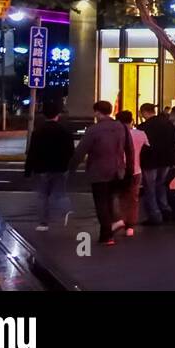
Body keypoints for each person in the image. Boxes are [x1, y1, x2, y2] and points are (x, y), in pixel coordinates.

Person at [67, 100, 132, 247]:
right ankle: (109, 230)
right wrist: (129, 169)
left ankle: (107, 235)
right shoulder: (121, 127)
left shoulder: (94, 130)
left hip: (99, 170)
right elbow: (129, 149)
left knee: (101, 203)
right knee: (109, 200)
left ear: (97, 112)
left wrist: (71, 167)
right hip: (118, 170)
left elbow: (80, 151)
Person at [24, 99, 74, 231]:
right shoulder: (64, 131)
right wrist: (68, 165)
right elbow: (70, 151)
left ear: (44, 115)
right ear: (58, 114)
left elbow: (32, 152)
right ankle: (66, 212)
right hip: (59, 167)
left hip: (41, 168)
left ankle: (43, 223)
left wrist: (28, 170)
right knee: (60, 193)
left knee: (42, 196)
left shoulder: (38, 132)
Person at [139, 103, 175, 222]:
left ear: (144, 112)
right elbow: (174, 142)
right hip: (165, 160)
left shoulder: (144, 127)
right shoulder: (168, 124)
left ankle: (155, 214)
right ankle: (165, 209)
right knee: (161, 185)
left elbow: (143, 146)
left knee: (149, 188)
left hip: (150, 161)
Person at [116, 110, 148, 236]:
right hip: (136, 170)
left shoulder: (115, 135)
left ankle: (121, 220)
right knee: (133, 199)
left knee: (120, 197)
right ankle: (130, 226)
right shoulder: (140, 134)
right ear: (132, 121)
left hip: (118, 170)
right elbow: (147, 147)